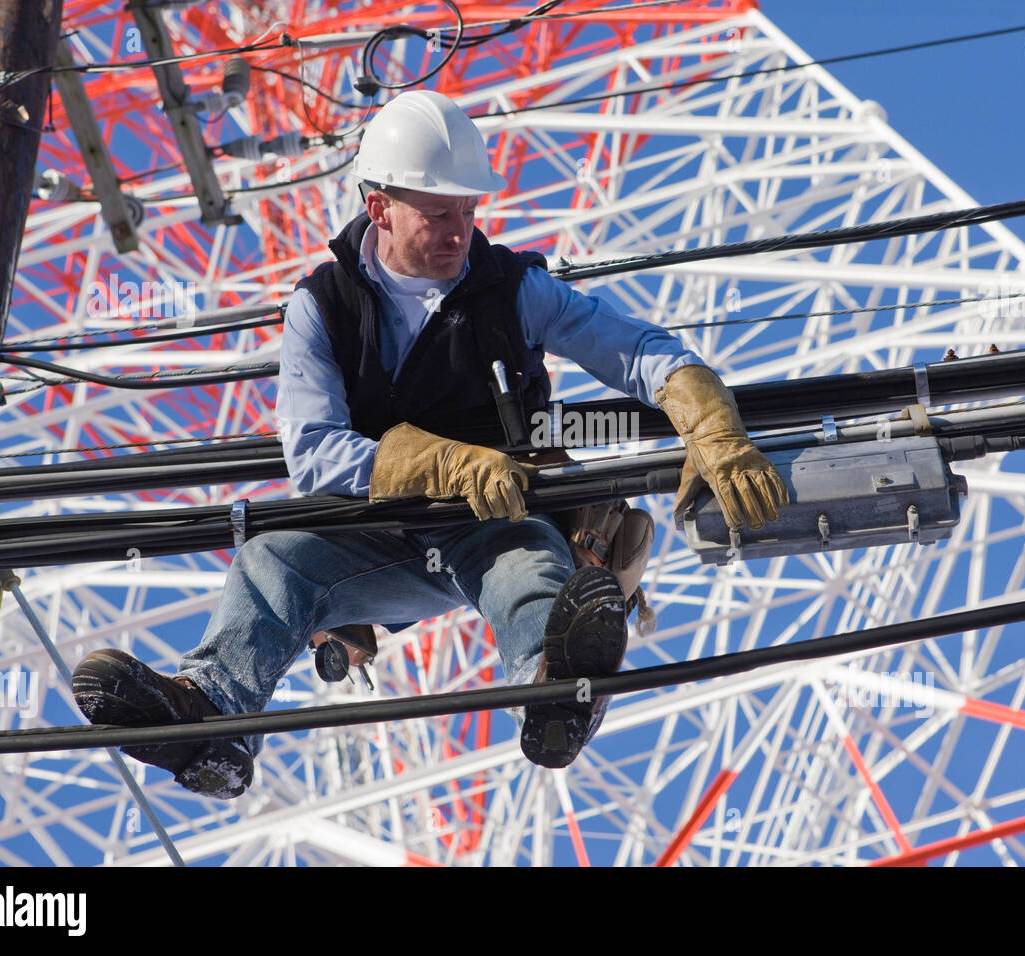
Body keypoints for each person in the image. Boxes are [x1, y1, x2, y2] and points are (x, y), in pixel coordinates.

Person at [70, 90, 788, 799]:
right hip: (377, 533)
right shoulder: (322, 308)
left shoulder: (511, 291)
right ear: (379, 206)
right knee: (272, 559)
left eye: (469, 212)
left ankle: (556, 688)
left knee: (529, 566)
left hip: (496, 523)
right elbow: (315, 455)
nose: (459, 232)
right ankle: (211, 718)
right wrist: (442, 461)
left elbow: (633, 348)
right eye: (439, 214)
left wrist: (707, 416)